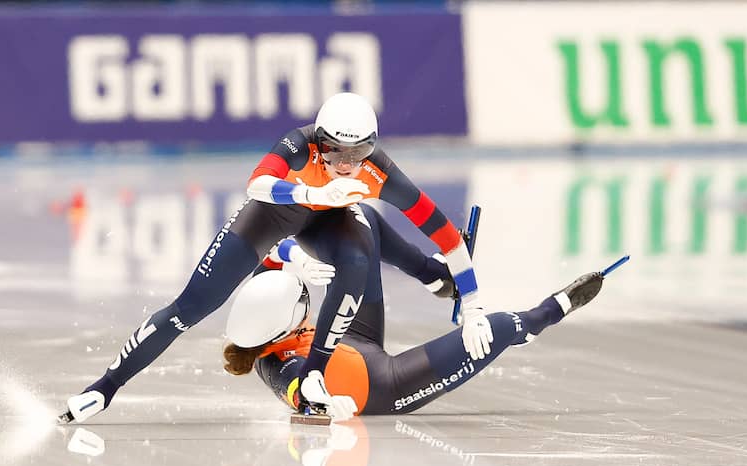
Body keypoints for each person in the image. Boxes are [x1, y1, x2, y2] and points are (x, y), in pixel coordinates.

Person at [60, 92, 490, 423]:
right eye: (334, 152)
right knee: (188, 309)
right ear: (319, 142)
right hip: (270, 216)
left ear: (371, 148)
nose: (345, 164)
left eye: (357, 154)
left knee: (358, 261)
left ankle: (316, 373)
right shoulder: (299, 145)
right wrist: (311, 195)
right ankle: (104, 387)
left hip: (327, 219)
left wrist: (472, 305)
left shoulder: (380, 171)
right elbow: (257, 184)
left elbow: (447, 235)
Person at [223, 204, 604, 417]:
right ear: (281, 332)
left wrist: (296, 257)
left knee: (360, 219)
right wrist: (317, 404)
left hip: (352, 337)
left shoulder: (261, 303)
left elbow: (272, 250)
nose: (309, 307)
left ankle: (437, 277)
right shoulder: (277, 365)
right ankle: (546, 314)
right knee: (497, 326)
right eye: (303, 306)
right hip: (385, 383)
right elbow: (296, 393)